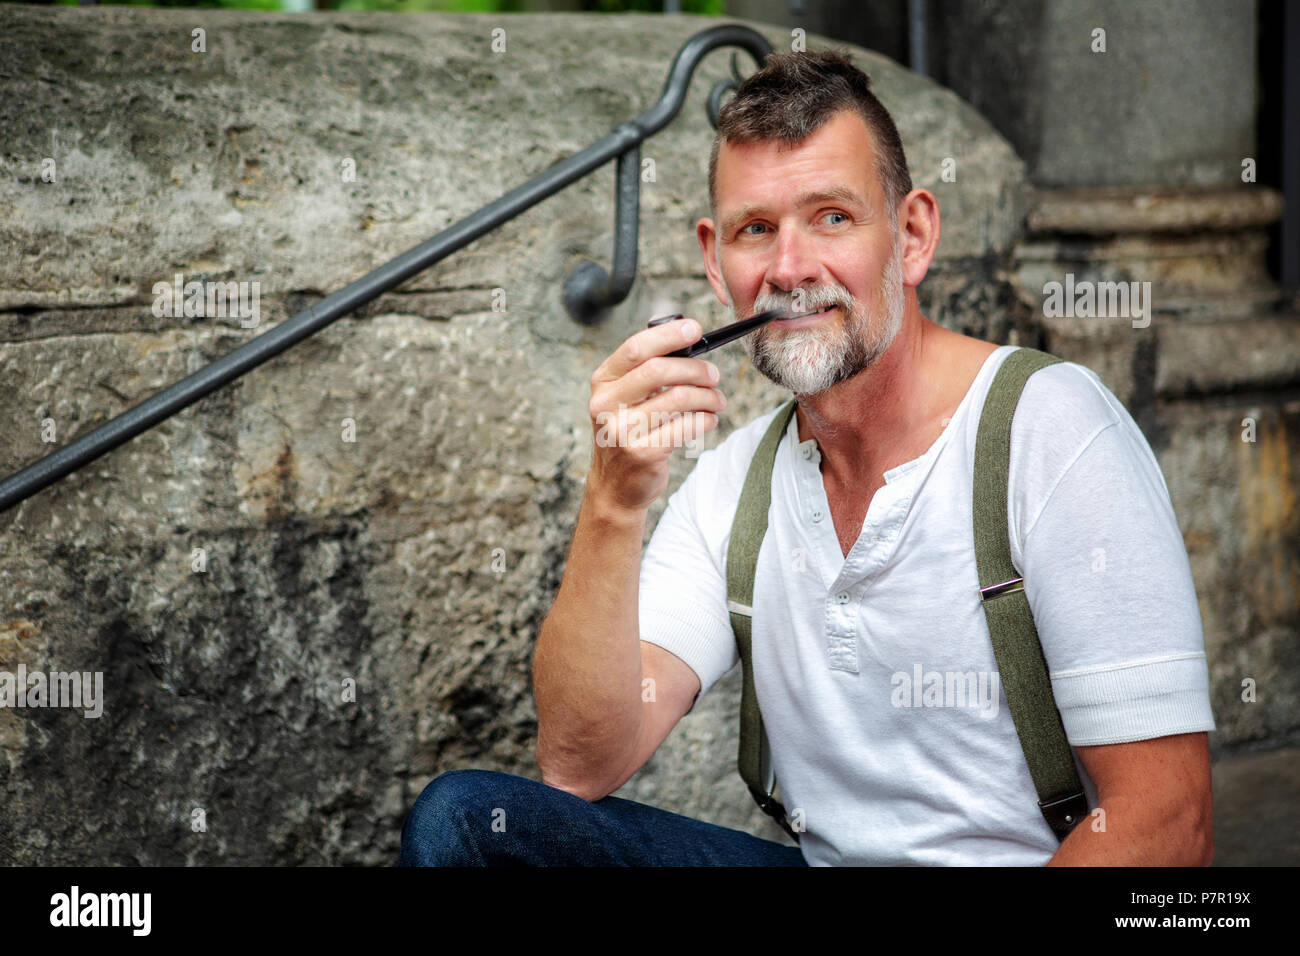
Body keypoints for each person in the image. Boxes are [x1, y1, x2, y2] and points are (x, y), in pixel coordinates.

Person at [398, 48, 1215, 867]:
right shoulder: (734, 484)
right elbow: (579, 765)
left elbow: (1167, 820)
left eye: (832, 217)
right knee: (465, 822)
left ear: (912, 235)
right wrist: (612, 499)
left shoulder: (1051, 428)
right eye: (758, 230)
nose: (790, 269)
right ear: (717, 263)